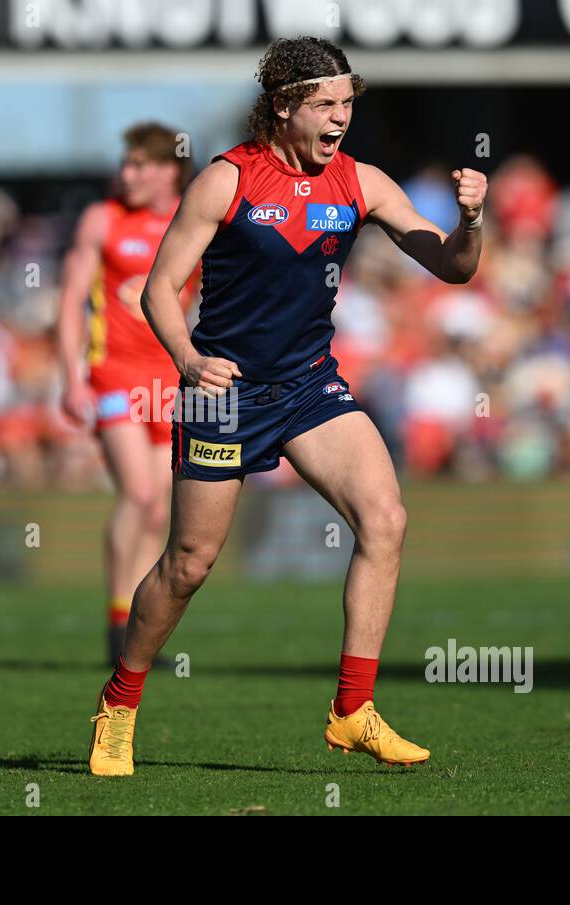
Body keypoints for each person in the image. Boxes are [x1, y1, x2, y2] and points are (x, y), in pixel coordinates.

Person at [87, 37, 487, 775]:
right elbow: (158, 289)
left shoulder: (361, 182)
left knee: (386, 518)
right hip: (220, 393)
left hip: (308, 384)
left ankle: (352, 710)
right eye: (326, 104)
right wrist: (188, 359)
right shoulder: (225, 179)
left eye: (348, 103)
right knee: (188, 563)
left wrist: (470, 223)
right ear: (283, 106)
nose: (342, 117)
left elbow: (452, 267)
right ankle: (119, 702)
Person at [56, 123, 195, 666]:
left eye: (141, 165)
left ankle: (139, 623)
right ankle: (118, 627)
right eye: (126, 163)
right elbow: (71, 300)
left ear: (170, 171)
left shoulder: (192, 220)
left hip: (170, 379)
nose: (127, 174)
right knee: (138, 495)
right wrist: (71, 376)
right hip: (112, 374)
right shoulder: (103, 219)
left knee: (159, 509)